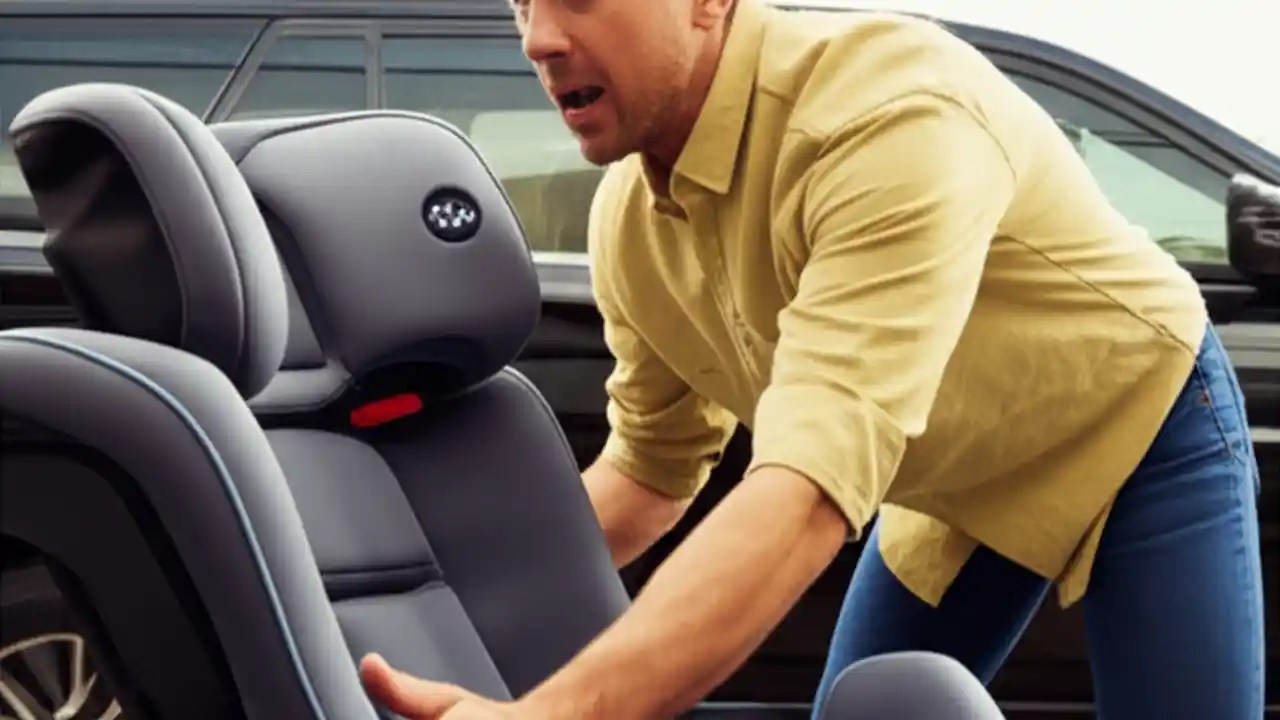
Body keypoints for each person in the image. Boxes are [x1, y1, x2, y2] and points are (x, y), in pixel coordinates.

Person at [359, 0, 1267, 717]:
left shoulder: (887, 114)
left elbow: (805, 493)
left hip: (1136, 421)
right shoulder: (629, 222)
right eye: (522, 1)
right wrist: (419, 598)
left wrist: (557, 713)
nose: (537, 38)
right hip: (952, 480)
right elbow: (650, 472)